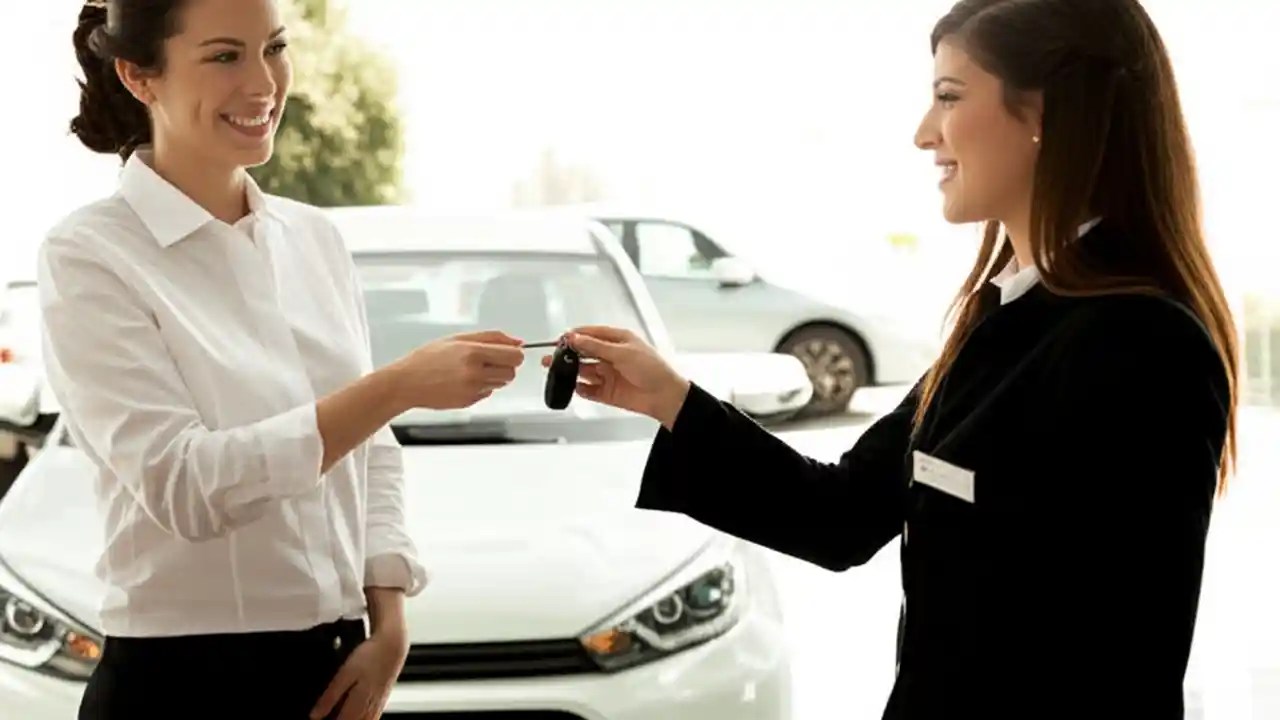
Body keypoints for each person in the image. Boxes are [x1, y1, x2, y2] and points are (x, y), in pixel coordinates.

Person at [546, 0, 1239, 717]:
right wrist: (669, 398)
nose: (923, 133)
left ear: (1045, 113)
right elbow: (843, 511)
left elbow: (1115, 666)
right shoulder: (1003, 317)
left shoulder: (1143, 347)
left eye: (949, 96)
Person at [43, 1, 527, 718]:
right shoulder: (90, 255)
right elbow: (186, 486)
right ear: (140, 76)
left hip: (339, 666)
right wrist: (397, 386)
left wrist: (390, 622)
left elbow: (371, 452)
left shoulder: (314, 240)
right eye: (224, 55)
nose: (264, 82)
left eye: (274, 47)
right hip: (182, 687)